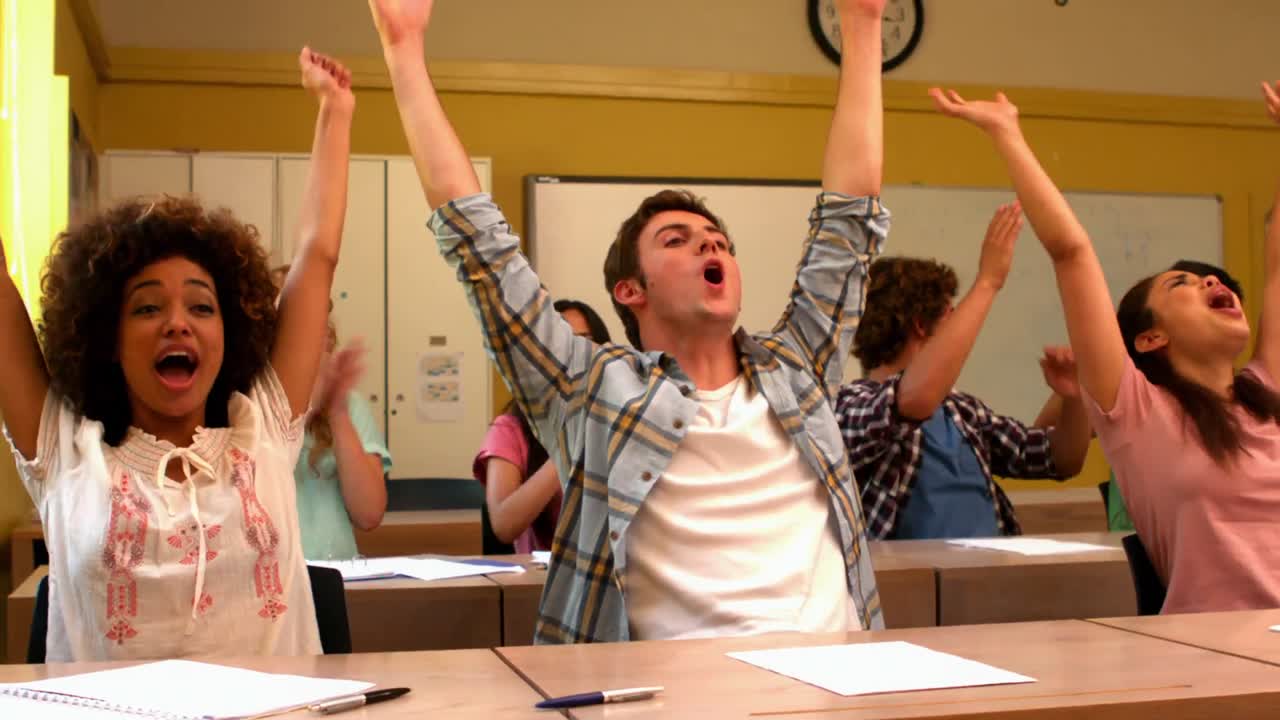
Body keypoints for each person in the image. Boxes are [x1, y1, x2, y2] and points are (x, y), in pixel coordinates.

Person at [369, 0, 891, 642]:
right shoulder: (594, 387)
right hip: (679, 683)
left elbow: (848, 224)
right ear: (630, 290)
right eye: (677, 240)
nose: (709, 245)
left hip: (834, 673)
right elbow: (482, 246)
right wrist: (404, 50)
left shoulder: (797, 368)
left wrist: (863, 25)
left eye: (717, 240)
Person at [0, 47, 354, 660]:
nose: (177, 324)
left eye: (200, 306)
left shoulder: (261, 429)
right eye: (146, 309)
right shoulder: (66, 450)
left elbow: (317, 253)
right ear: (107, 339)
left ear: (229, 332)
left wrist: (336, 110)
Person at [929, 81, 1280, 613]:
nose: (1210, 281)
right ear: (1151, 338)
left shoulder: (1265, 390)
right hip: (1218, 646)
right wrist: (1007, 133)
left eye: (1209, 281)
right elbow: (1071, 252)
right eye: (1182, 284)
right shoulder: (1136, 410)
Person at [837, 204, 1092, 539]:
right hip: (906, 573)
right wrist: (988, 282)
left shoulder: (962, 411)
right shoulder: (848, 405)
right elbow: (912, 400)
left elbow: (1060, 459)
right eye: (952, 314)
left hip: (987, 569)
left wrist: (1073, 397)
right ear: (920, 325)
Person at [272, 266, 392, 560]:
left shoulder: (349, 405)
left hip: (338, 573)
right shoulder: (242, 404)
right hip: (273, 578)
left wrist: (337, 410)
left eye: (318, 325)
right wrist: (303, 404)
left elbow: (369, 514)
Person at [473, 300, 610, 553]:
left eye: (586, 341)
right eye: (563, 342)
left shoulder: (621, 419)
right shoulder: (510, 428)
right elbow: (504, 525)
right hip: (543, 573)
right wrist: (567, 447)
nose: (576, 353)